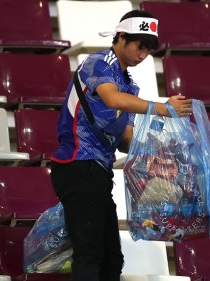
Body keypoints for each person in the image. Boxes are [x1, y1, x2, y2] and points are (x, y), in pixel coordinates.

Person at [50, 9, 192, 281]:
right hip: (77, 164)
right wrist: (163, 108)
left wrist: (161, 150)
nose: (143, 55)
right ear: (122, 37)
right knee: (89, 254)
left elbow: (124, 138)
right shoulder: (98, 63)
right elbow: (112, 100)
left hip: (98, 171)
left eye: (149, 51)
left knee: (111, 260)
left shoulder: (131, 86)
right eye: (140, 47)